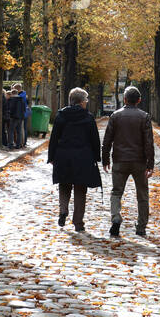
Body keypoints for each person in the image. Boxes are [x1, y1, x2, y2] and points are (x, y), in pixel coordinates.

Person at [101, 85, 154, 237]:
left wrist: (105, 159)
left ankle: (116, 217)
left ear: (124, 99)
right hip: (139, 161)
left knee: (116, 192)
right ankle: (141, 227)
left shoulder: (115, 116)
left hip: (120, 160)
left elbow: (107, 140)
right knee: (142, 195)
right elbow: (148, 143)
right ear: (139, 100)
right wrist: (150, 164)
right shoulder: (144, 117)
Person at [48, 87, 101, 232]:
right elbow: (95, 140)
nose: (87, 102)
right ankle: (78, 223)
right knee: (80, 189)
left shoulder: (61, 115)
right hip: (83, 157)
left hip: (63, 156)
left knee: (64, 185)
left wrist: (51, 157)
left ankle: (63, 210)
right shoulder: (88, 117)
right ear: (82, 101)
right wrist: (97, 157)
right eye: (86, 100)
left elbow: (54, 138)